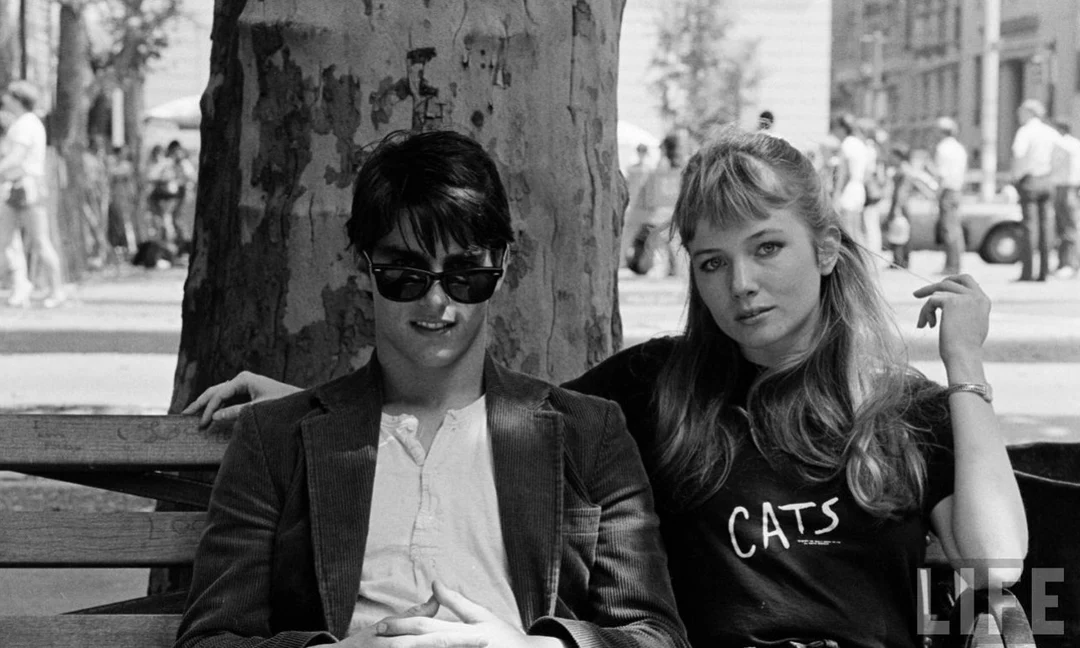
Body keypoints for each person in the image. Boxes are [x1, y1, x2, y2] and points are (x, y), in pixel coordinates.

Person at [188, 128, 1028, 648]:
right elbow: (482, 408)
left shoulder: (903, 409)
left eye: (767, 248)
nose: (741, 284)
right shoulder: (662, 385)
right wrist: (309, 409)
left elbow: (996, 564)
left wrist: (966, 373)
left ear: (828, 248)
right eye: (712, 262)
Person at [175, 130, 688, 648]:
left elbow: (656, 635)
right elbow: (210, 639)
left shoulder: (588, 433)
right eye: (405, 273)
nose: (438, 301)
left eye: (466, 272)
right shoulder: (274, 439)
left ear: (503, 266)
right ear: (364, 267)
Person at [0, 81, 66, 308]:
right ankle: (22, 285)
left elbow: (16, 157)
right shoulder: (27, 123)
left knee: (39, 241)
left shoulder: (25, 125)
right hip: (20, 187)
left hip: (25, 187)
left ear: (18, 99)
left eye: (8, 96)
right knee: (8, 240)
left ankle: (56, 289)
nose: (4, 99)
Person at [1011, 99, 1059, 282]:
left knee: (1030, 227)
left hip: (1030, 179)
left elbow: (1018, 153)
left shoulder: (1025, 131)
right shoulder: (1049, 131)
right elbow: (1063, 151)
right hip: (1047, 179)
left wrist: (1016, 175)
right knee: (1046, 226)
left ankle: (1028, 272)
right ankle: (1045, 271)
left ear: (1029, 112)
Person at [633, 133, 686, 278]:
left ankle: (668, 270)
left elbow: (655, 189)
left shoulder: (662, 165)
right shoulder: (681, 165)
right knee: (672, 243)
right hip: (673, 210)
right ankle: (674, 271)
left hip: (661, 211)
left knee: (664, 243)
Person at [930, 117, 968, 275]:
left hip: (947, 190)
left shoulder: (942, 148)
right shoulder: (959, 148)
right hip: (957, 189)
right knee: (955, 228)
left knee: (948, 229)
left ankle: (952, 266)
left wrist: (936, 195)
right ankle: (955, 263)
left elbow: (941, 174)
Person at [829, 114, 869, 248]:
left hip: (849, 190)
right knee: (856, 229)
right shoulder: (860, 143)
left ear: (841, 128)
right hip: (859, 187)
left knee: (847, 231)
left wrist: (837, 193)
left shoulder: (847, 144)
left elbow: (844, 173)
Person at [1050, 120, 1080, 278]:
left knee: (1068, 228)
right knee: (1062, 229)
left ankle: (1071, 264)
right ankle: (1063, 263)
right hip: (1062, 187)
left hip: (1068, 187)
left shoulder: (1069, 144)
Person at [884, 143, 916, 269]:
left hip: (900, 204)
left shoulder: (902, 171)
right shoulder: (905, 169)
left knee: (898, 232)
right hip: (903, 204)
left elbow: (900, 192)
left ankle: (899, 261)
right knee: (903, 232)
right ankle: (903, 260)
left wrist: (896, 207)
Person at [621, 142, 653, 268]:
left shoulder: (648, 170)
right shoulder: (632, 169)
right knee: (627, 235)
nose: (642, 154)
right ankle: (622, 260)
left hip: (643, 207)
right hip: (633, 206)